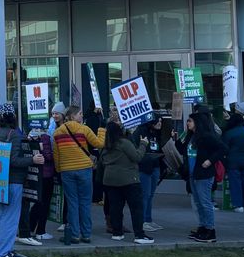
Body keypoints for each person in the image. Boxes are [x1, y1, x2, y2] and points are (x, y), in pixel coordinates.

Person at [0, 103, 38, 257]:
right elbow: (15, 160)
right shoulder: (15, 135)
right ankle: (2, 252)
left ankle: (4, 250)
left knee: (2, 217)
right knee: (10, 219)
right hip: (14, 181)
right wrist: (33, 159)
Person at [52, 105, 103, 245]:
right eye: (79, 114)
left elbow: (56, 155)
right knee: (85, 202)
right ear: (72, 116)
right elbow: (99, 143)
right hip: (84, 169)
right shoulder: (84, 129)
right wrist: (101, 129)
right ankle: (86, 234)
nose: (81, 116)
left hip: (67, 171)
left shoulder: (57, 133)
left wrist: (59, 170)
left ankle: (75, 234)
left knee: (72, 203)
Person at [174, 109, 228, 243]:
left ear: (198, 122)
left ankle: (210, 230)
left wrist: (210, 161)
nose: (187, 123)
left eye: (190, 121)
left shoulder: (207, 136)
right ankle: (202, 227)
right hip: (193, 174)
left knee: (205, 202)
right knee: (198, 202)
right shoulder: (191, 136)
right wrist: (176, 140)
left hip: (203, 174)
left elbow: (223, 149)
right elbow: (182, 150)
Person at [100, 120, 153, 245]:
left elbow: (102, 161)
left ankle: (117, 233)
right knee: (136, 208)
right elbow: (137, 156)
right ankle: (139, 235)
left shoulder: (106, 145)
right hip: (129, 180)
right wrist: (143, 144)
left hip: (110, 180)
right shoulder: (123, 143)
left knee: (115, 207)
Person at [135, 114, 166, 233]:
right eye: (158, 121)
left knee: (151, 194)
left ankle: (148, 219)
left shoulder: (157, 133)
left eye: (161, 122)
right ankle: (142, 221)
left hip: (155, 165)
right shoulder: (141, 131)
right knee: (145, 195)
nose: (160, 124)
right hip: (144, 167)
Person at [25, 120, 56, 242]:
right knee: (44, 203)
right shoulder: (46, 137)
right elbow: (48, 156)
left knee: (37, 203)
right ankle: (40, 231)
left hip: (34, 174)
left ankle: (31, 228)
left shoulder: (29, 136)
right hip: (46, 175)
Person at [223, 103, 244, 214]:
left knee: (235, 183)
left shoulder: (229, 133)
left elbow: (224, 148)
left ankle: (238, 205)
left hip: (232, 161)